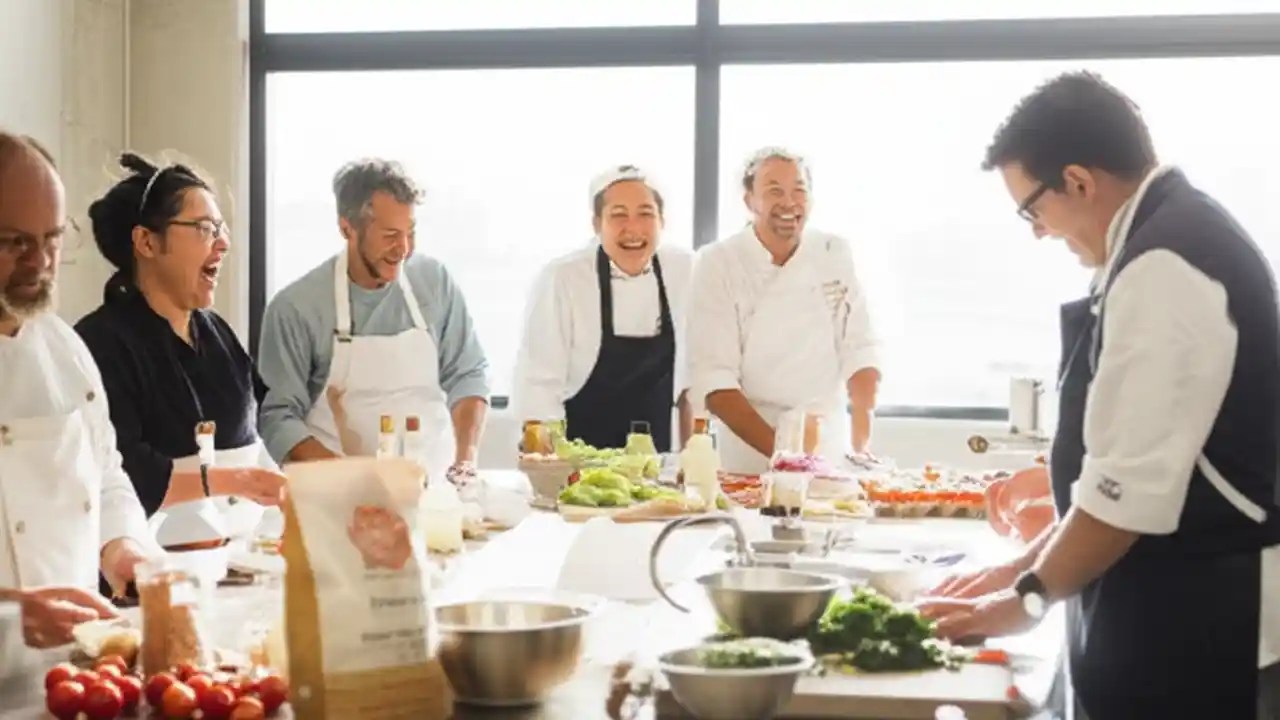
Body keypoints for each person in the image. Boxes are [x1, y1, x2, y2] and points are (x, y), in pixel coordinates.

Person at [918, 71, 1280, 719]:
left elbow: (1126, 497)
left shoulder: (1166, 266)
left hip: (1202, 618)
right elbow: (1113, 476)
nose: (1036, 230)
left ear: (1079, 181)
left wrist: (1024, 600)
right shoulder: (1172, 233)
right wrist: (1014, 572)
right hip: (1169, 601)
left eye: (1032, 208)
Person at [74, 154, 286, 538]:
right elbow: (123, 471)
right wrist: (233, 480)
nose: (224, 243)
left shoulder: (218, 332)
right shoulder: (99, 344)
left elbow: (263, 424)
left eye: (221, 228)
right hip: (151, 567)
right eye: (205, 228)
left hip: (240, 557)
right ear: (146, 242)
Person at [0, 132, 154, 650]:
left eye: (52, 238)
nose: (39, 262)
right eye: (13, 242)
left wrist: (124, 546)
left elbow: (106, 474)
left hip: (73, 675)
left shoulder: (65, 349)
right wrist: (7, 615)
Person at [258, 158, 490, 485]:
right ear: (346, 228)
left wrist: (465, 461)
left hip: (437, 490)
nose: (404, 249)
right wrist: (356, 483)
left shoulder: (435, 283)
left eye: (410, 233)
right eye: (391, 235)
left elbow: (468, 373)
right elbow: (277, 418)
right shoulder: (296, 307)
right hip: (338, 495)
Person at [687, 147, 882, 474]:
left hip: (825, 448)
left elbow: (860, 349)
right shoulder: (718, 263)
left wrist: (862, 442)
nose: (789, 202)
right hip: (749, 455)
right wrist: (785, 456)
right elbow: (715, 380)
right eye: (774, 191)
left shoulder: (833, 252)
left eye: (799, 191)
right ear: (749, 201)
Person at [513, 165, 693, 452]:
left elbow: (692, 383)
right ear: (597, 223)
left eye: (645, 214)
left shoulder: (685, 271)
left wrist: (693, 460)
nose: (632, 228)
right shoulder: (564, 278)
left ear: (662, 221)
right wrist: (547, 468)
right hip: (577, 465)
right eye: (618, 214)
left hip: (657, 465)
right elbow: (539, 381)